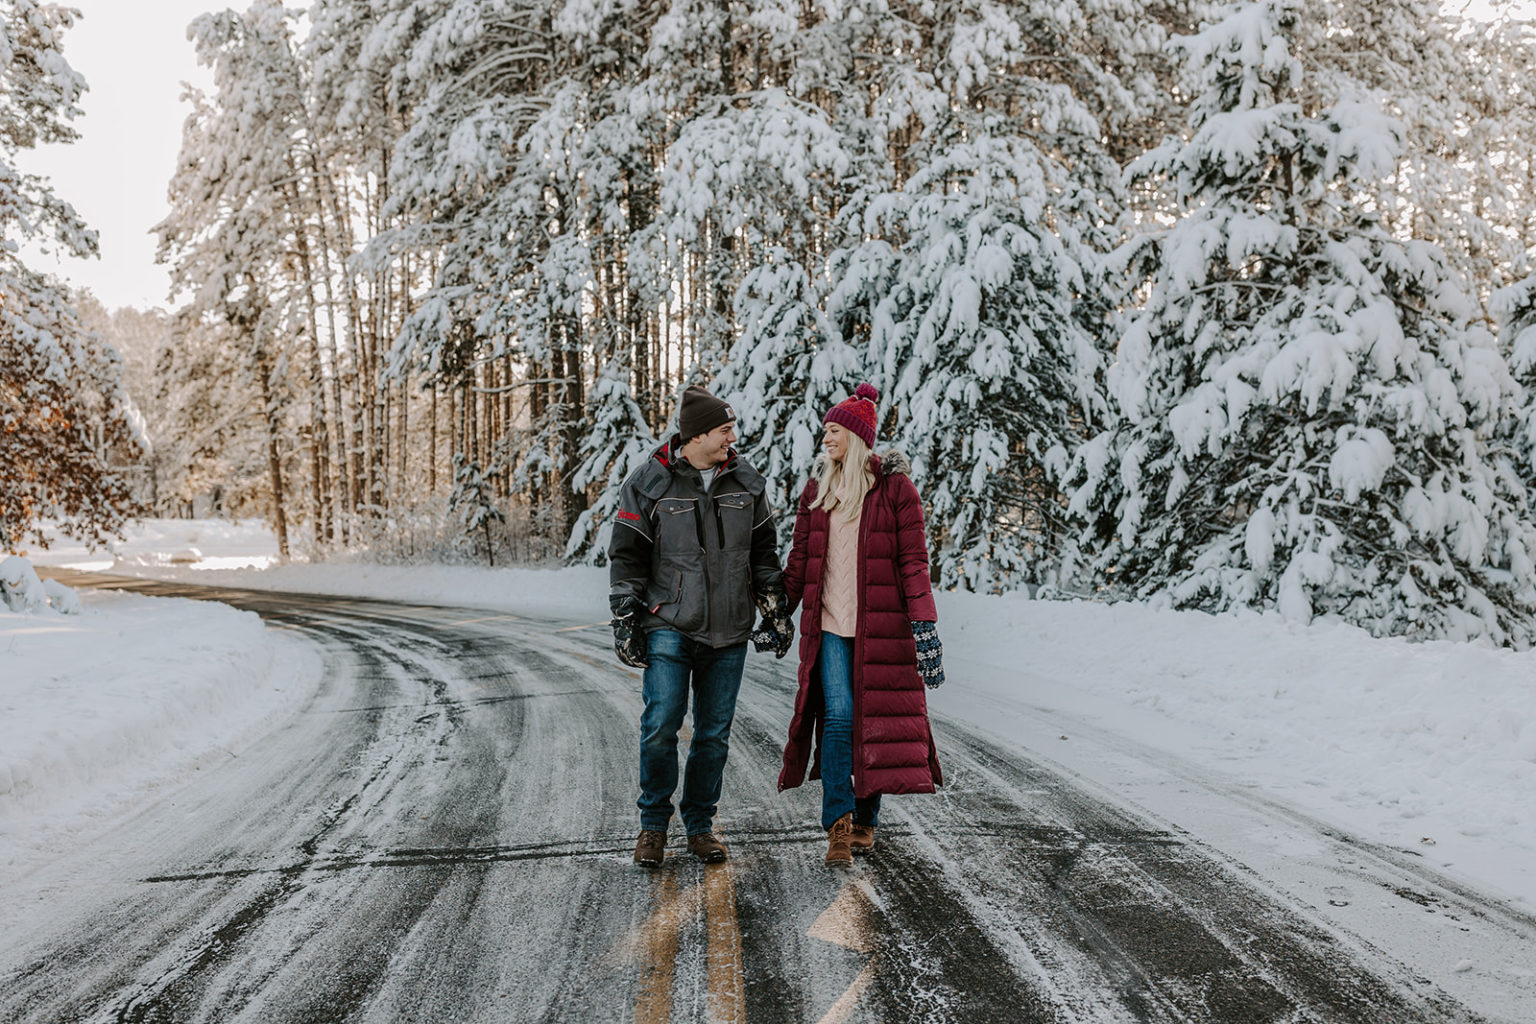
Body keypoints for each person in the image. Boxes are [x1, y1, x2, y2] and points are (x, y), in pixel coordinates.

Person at [609, 384, 793, 868]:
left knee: (713, 734)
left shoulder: (747, 483)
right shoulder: (649, 483)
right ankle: (653, 826)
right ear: (696, 436)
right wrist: (625, 617)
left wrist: (775, 607)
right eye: (725, 430)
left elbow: (764, 553)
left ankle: (700, 826)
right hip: (669, 623)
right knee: (660, 726)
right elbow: (627, 556)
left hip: (730, 629)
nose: (733, 438)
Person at [775, 383, 945, 867]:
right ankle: (838, 824)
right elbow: (800, 562)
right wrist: (777, 613)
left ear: (856, 436)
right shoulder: (817, 491)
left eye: (834, 430)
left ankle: (867, 818)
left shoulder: (895, 490)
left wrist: (925, 627)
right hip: (830, 625)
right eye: (825, 430)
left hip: (881, 628)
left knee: (872, 718)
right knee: (839, 716)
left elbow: (914, 563)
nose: (825, 438)